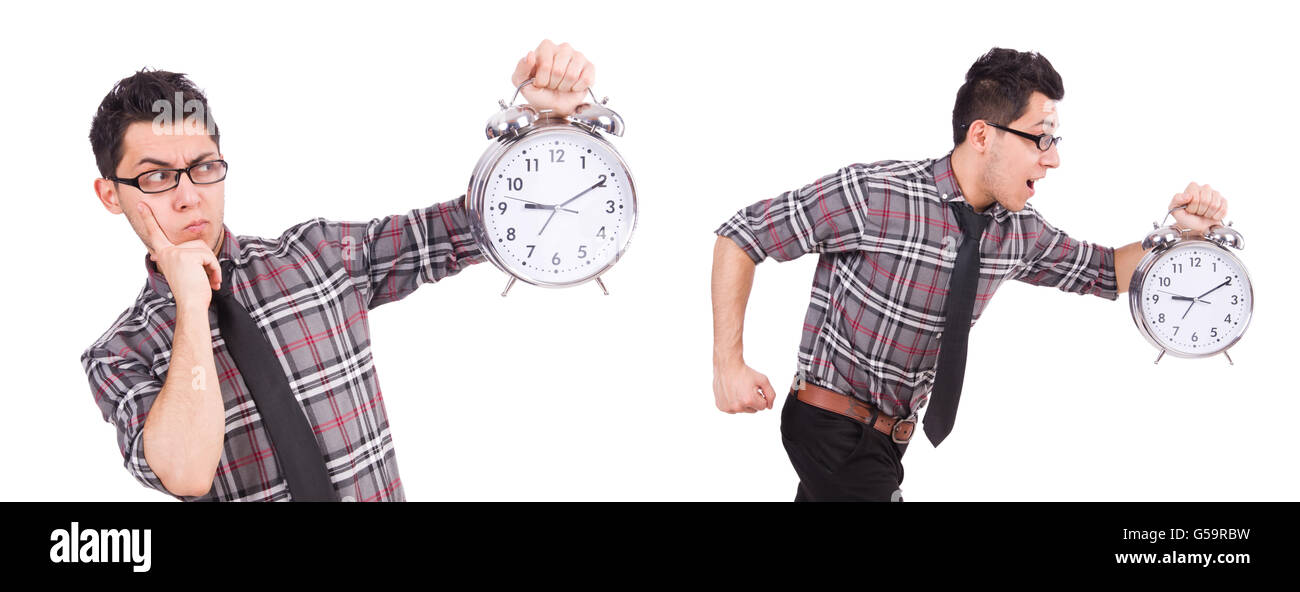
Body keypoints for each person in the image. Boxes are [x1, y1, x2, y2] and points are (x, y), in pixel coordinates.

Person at [81, 40, 597, 501]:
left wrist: (546, 125)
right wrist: (191, 302)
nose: (190, 195)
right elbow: (187, 473)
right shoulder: (119, 355)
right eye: (156, 177)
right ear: (111, 195)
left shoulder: (319, 256)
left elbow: (474, 225)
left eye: (204, 167)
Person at [709, 48, 1228, 502]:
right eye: (1040, 139)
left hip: (889, 442)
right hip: (828, 426)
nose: (1054, 159)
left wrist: (1178, 234)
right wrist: (728, 364)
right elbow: (743, 235)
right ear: (983, 134)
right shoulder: (875, 194)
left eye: (1055, 139)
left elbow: (1106, 271)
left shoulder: (1017, 232)